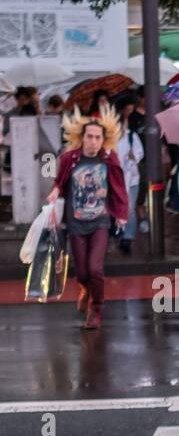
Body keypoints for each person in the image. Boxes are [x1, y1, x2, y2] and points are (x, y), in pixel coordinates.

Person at [48, 107, 128, 330]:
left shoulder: (109, 159)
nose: (93, 141)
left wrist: (121, 215)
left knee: (95, 268)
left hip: (100, 221)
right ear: (82, 138)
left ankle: (96, 309)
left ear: (104, 139)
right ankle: (85, 288)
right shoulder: (68, 159)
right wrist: (55, 192)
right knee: (82, 271)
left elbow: (119, 188)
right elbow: (60, 182)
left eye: (97, 137)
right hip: (75, 222)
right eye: (89, 137)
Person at [113, 110, 144, 254]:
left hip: (131, 179)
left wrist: (134, 157)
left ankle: (128, 237)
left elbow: (139, 152)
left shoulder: (131, 136)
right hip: (113, 179)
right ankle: (117, 229)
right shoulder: (107, 138)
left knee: (129, 208)